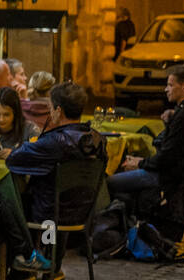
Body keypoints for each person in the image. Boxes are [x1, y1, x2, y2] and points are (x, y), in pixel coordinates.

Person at [107, 63, 184, 216]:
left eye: (170, 85)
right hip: (183, 176)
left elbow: (167, 158)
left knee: (108, 183)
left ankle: (123, 224)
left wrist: (140, 163)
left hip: (169, 178)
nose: (166, 89)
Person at [6, 82, 108, 228]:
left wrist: (25, 145)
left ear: (58, 111)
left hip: (48, 217)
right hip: (83, 216)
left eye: (50, 107)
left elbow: (13, 159)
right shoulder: (98, 140)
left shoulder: (54, 142)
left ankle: (24, 249)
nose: (50, 111)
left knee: (4, 201)